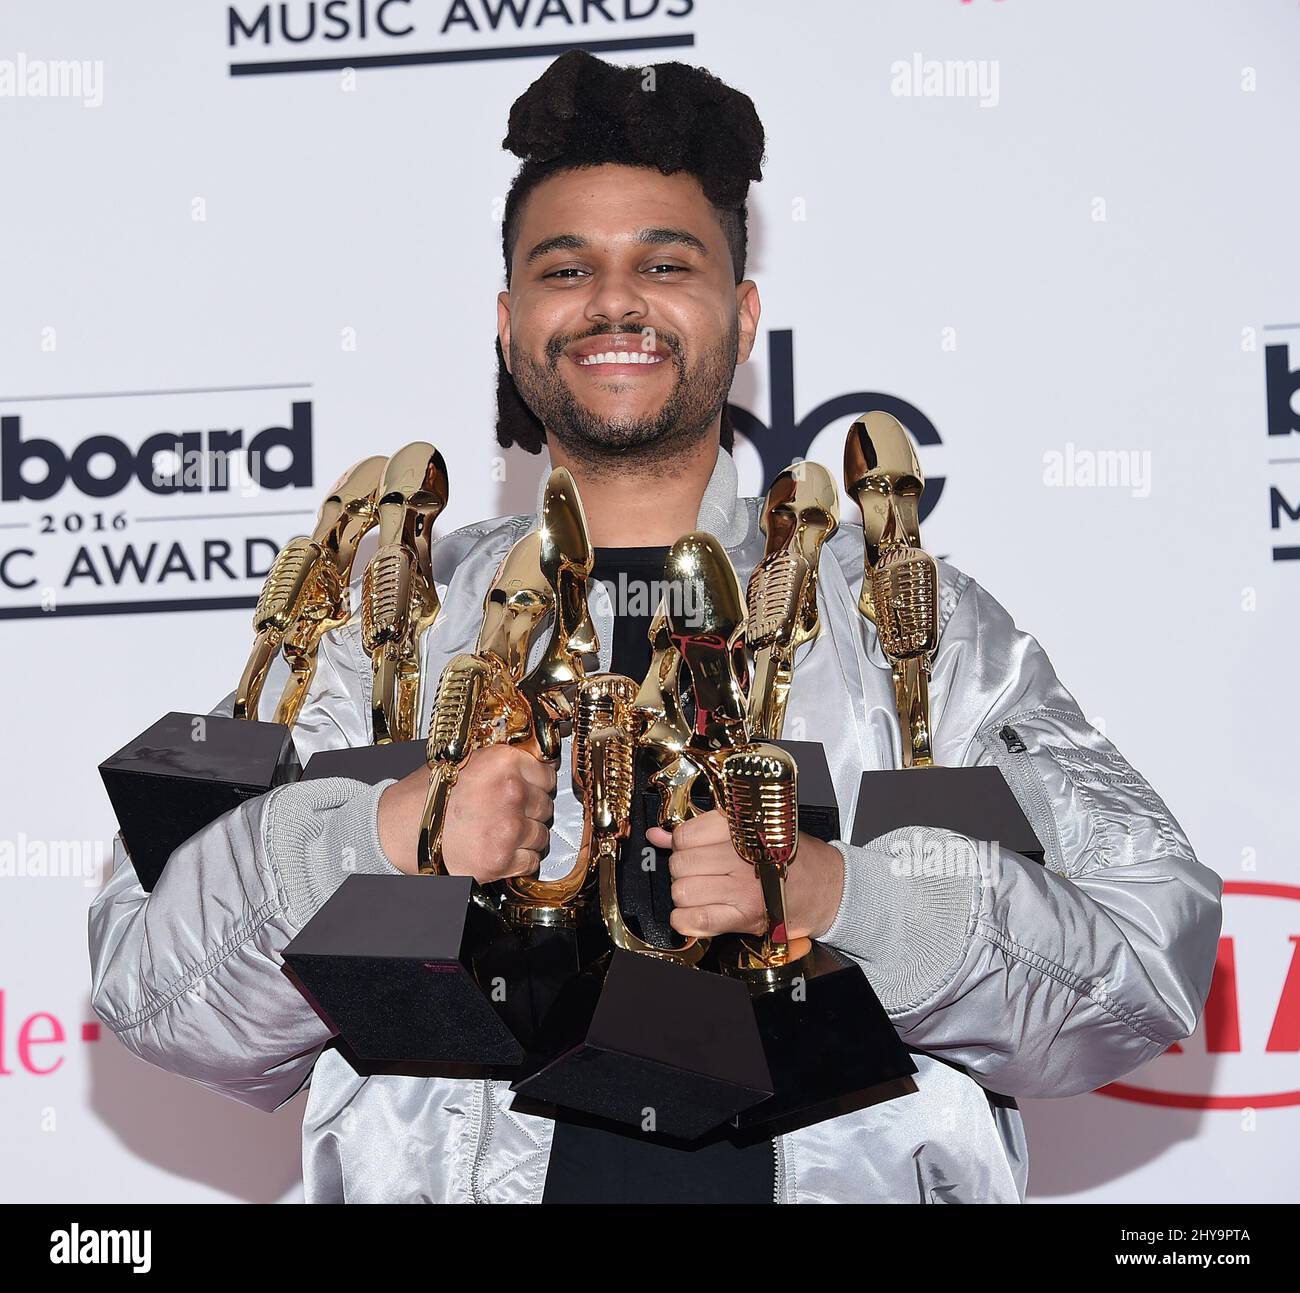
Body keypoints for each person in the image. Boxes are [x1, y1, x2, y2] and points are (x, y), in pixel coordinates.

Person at [88, 50, 1222, 1204]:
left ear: (741, 310)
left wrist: (843, 897)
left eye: (664, 263)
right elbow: (156, 998)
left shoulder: (902, 620)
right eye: (565, 267)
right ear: (509, 319)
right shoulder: (382, 626)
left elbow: (1143, 975)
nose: (614, 302)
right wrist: (386, 828)